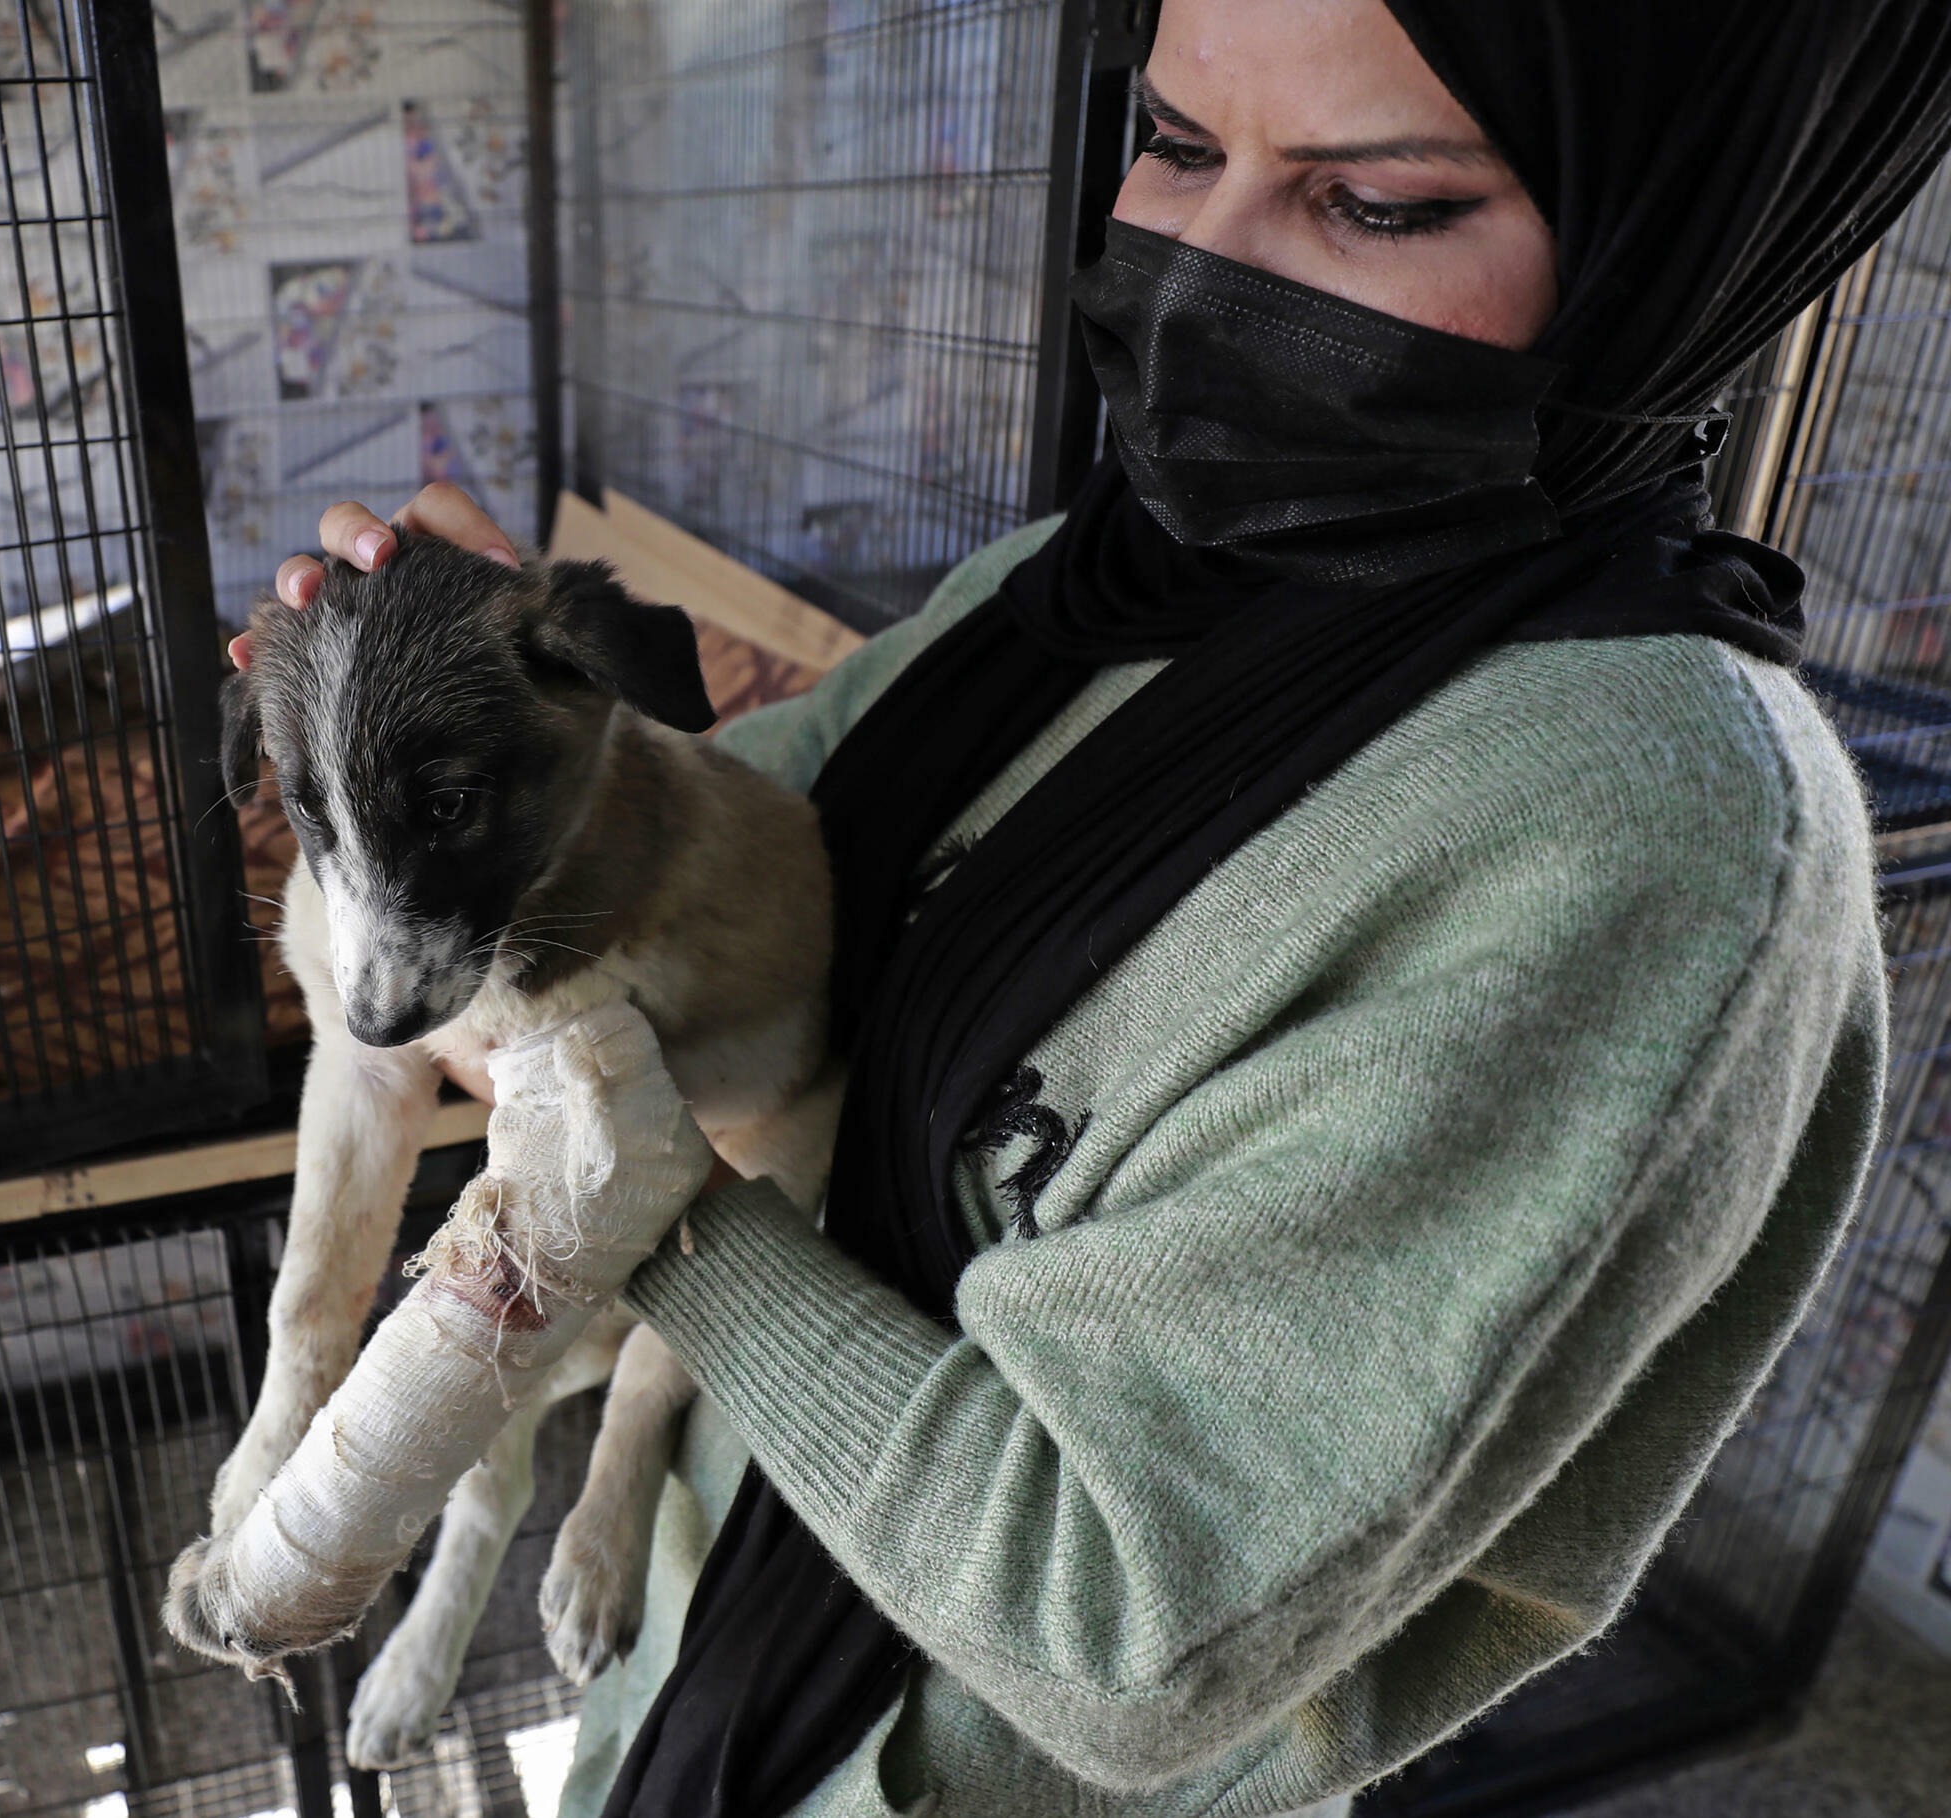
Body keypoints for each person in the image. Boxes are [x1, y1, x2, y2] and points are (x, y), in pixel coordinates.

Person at [232, 1, 1951, 1813]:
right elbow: (754, 835)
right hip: (710, 1665)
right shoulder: (1077, 593)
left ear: (1665, 241)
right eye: (1181, 145)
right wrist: (503, 717)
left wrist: (630, 1192)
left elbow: (1120, 1632)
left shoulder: (1631, 831)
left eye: (1371, 204)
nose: (1192, 271)